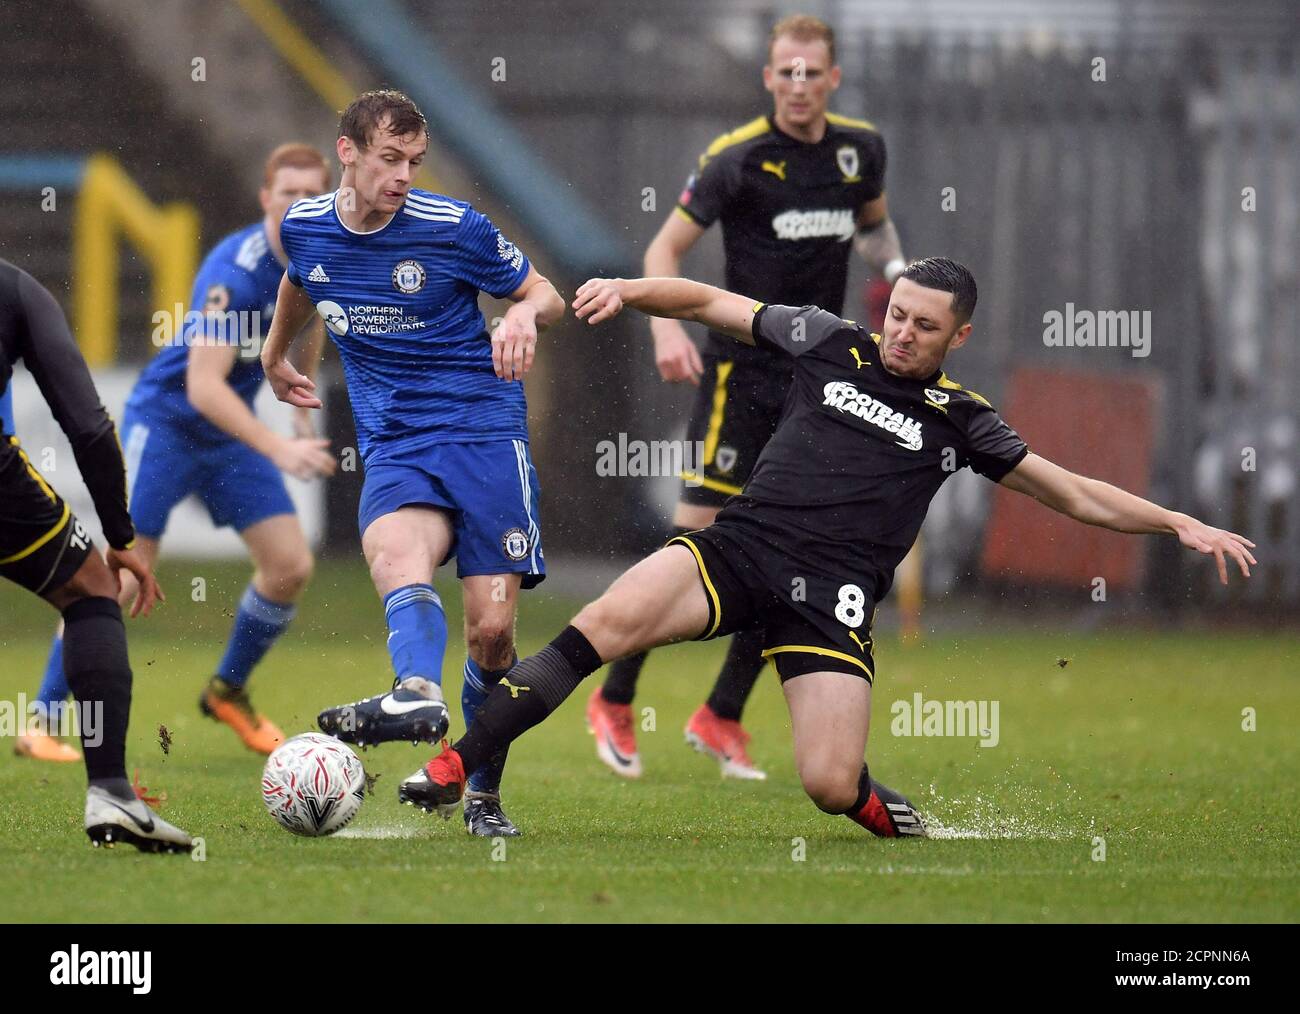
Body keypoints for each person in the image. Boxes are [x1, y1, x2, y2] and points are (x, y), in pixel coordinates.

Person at [396, 259, 1255, 840]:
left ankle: (880, 808)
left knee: (829, 786)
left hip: (832, 599)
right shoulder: (829, 340)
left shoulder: (962, 419)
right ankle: (451, 770)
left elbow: (1071, 491)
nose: (902, 333)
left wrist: (1179, 523)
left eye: (925, 326)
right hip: (738, 549)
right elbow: (706, 304)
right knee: (594, 628)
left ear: (957, 337)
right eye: (899, 316)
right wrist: (630, 287)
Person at [588, 13, 908, 781]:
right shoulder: (736, 160)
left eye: (813, 73)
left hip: (817, 379)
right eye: (785, 72)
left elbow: (876, 229)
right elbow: (664, 249)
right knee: (695, 543)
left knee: (792, 551)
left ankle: (721, 713)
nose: (799, 85)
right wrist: (666, 330)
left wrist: (899, 276)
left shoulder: (860, 150)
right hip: (741, 372)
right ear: (769, 79)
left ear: (833, 80)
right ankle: (616, 696)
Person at [260, 90, 564, 837]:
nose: (402, 176)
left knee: (492, 632)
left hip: (485, 433)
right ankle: (415, 689)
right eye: (389, 159)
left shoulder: (454, 227)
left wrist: (521, 313)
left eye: (413, 162)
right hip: (396, 441)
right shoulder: (304, 226)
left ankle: (481, 794)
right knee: (396, 553)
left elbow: (542, 291)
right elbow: (303, 279)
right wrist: (275, 353)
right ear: (349, 152)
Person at [18, 144, 335, 759]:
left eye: (312, 195)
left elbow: (310, 323)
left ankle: (227, 691)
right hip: (167, 424)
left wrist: (299, 413)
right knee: (121, 578)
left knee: (290, 566)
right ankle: (43, 722)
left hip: (226, 436)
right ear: (265, 198)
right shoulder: (234, 272)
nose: (299, 204)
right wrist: (276, 446)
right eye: (288, 193)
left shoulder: (321, 256)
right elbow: (203, 386)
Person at [1, 258, 193, 851]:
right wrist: (121, 538)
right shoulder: (15, 291)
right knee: (90, 588)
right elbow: (87, 426)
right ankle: (110, 792)